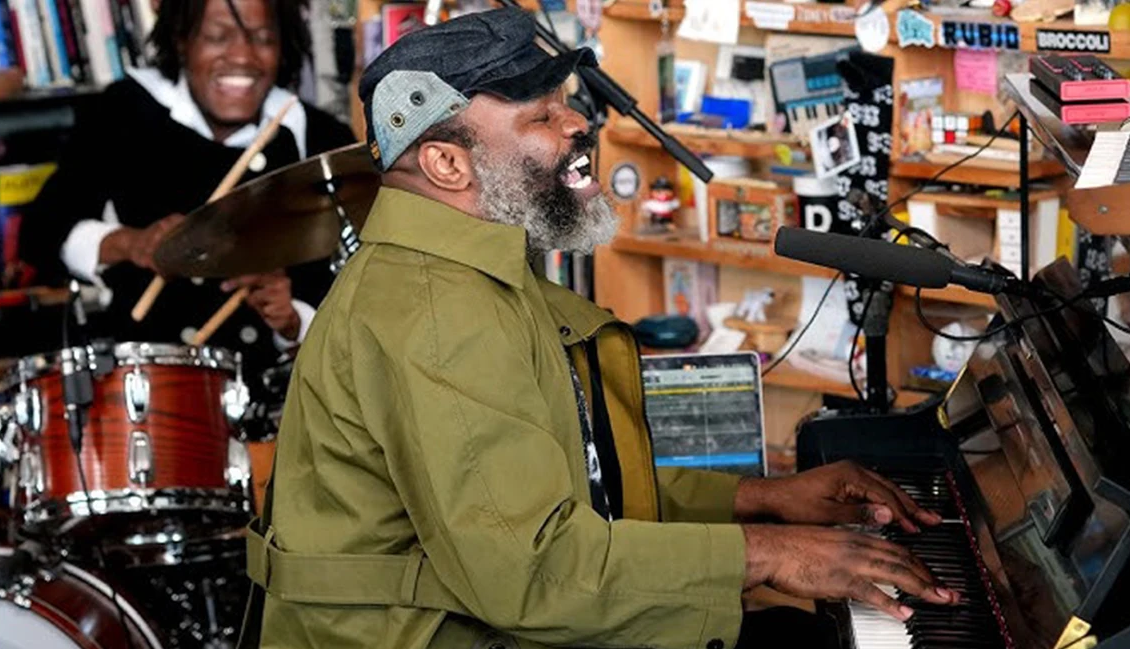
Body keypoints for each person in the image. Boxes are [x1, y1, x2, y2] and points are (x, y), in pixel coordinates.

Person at [241, 9, 960, 649]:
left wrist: (760, 497)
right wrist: (768, 552)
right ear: (446, 162)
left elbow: (569, 483)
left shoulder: (468, 267)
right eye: (539, 116)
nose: (577, 122)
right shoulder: (436, 311)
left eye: (564, 103)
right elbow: (535, 570)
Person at [19, 0, 355, 381]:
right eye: (217, 37)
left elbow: (346, 298)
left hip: (270, 392)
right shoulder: (126, 111)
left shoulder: (319, 139)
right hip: (144, 386)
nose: (242, 57)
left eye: (263, 39)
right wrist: (129, 243)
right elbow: (41, 232)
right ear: (181, 40)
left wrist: (292, 319)